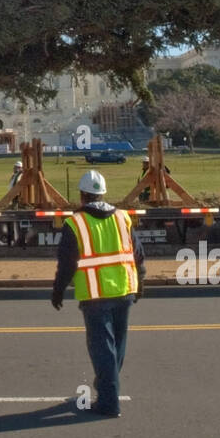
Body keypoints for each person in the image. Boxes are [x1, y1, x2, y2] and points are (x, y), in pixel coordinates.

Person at [50, 169, 144, 418]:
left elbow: (67, 263)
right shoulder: (122, 218)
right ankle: (107, 386)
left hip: (95, 296)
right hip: (124, 290)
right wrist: (140, 283)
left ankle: (108, 402)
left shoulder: (76, 223)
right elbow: (138, 254)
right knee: (117, 345)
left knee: (102, 348)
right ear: (103, 193)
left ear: (82, 196)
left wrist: (58, 291)